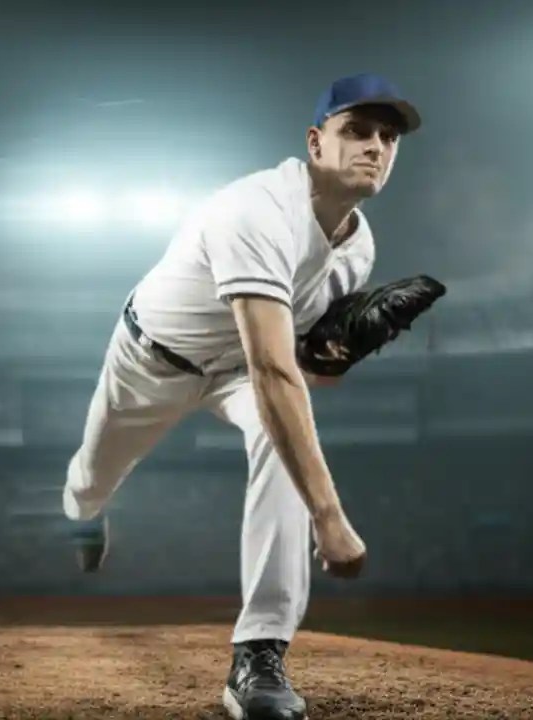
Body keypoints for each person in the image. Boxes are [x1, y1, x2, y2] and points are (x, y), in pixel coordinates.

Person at [63, 73, 421, 720]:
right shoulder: (257, 210)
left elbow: (301, 368)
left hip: (240, 369)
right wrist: (328, 516)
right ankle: (85, 511)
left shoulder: (359, 248)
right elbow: (276, 371)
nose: (376, 146)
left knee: (283, 439)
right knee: (92, 476)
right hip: (151, 361)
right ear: (315, 142)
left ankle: (260, 653)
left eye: (389, 137)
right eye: (357, 130)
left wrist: (335, 353)